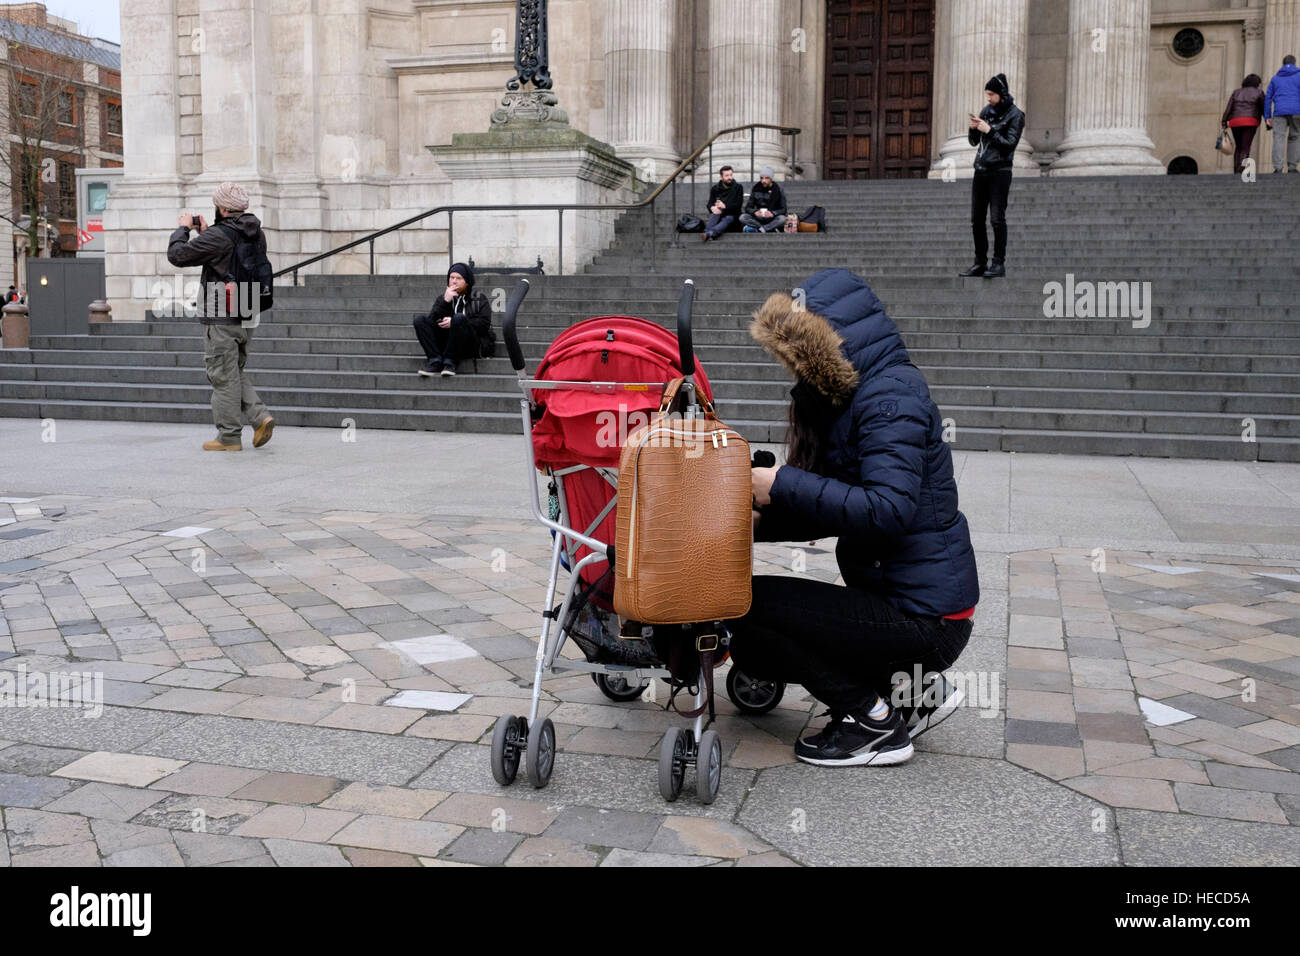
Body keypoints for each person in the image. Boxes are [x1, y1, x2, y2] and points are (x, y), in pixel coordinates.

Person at [734, 268, 979, 767]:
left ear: (832, 344)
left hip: (924, 619)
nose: (793, 369)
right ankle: (912, 691)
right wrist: (760, 526)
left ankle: (872, 721)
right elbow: (846, 506)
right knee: (753, 624)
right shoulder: (864, 396)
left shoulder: (890, 400)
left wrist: (780, 482)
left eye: (799, 356)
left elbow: (885, 511)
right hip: (915, 605)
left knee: (746, 609)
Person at [167, 182, 274, 452]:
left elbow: (177, 255)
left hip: (222, 313)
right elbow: (228, 256)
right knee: (233, 371)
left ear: (223, 208)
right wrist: (206, 232)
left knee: (222, 375)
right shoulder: (255, 232)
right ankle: (261, 417)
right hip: (248, 311)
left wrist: (184, 229)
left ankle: (228, 437)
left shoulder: (219, 235)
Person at [959, 73, 1025, 279]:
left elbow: (1009, 146)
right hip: (981, 170)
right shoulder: (986, 111)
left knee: (997, 219)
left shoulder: (1016, 115)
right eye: (987, 94)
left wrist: (988, 130)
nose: (988, 98)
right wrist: (974, 130)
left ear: (1002, 94)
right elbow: (974, 143)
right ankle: (980, 262)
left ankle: (998, 263)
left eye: (991, 94)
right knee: (976, 219)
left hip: (1000, 172)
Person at [413, 261, 493, 377]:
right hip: (447, 343)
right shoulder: (443, 298)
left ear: (467, 282)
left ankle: (450, 363)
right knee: (419, 320)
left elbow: (484, 324)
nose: (454, 281)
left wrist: (455, 323)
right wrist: (445, 301)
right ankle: (435, 361)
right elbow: (431, 321)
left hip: (470, 344)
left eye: (459, 278)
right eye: (451, 277)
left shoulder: (479, 299)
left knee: (459, 318)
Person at [1222, 74, 1266, 174]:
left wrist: (1224, 122)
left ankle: (1236, 170)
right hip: (1250, 121)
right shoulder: (1259, 92)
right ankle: (1241, 170)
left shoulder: (1236, 92)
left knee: (1239, 146)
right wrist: (1268, 121)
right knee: (1245, 147)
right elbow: (1264, 108)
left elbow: (1229, 108)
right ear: (1257, 84)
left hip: (1235, 122)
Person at [1265, 54, 1300, 174]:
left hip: (1279, 111)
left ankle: (1278, 167)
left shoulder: (1275, 78)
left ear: (1283, 64)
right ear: (1295, 63)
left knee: (1278, 138)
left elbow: (1268, 98)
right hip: (1297, 111)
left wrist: (1267, 116)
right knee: (1295, 137)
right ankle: (1292, 167)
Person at [740, 166, 787, 233]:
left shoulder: (778, 189)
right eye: (762, 178)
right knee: (743, 217)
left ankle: (762, 229)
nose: (763, 181)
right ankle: (768, 228)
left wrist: (773, 213)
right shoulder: (756, 188)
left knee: (783, 219)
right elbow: (748, 208)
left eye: (766, 178)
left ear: (771, 179)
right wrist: (755, 212)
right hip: (759, 217)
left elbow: (783, 209)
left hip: (772, 218)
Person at [701, 165, 742, 242]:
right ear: (721, 177)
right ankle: (709, 233)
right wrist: (712, 208)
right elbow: (710, 203)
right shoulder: (715, 189)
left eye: (731, 175)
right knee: (716, 210)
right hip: (718, 216)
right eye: (726, 175)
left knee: (727, 217)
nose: (729, 177)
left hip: (733, 217)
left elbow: (738, 206)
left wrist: (725, 206)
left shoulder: (738, 188)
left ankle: (708, 233)